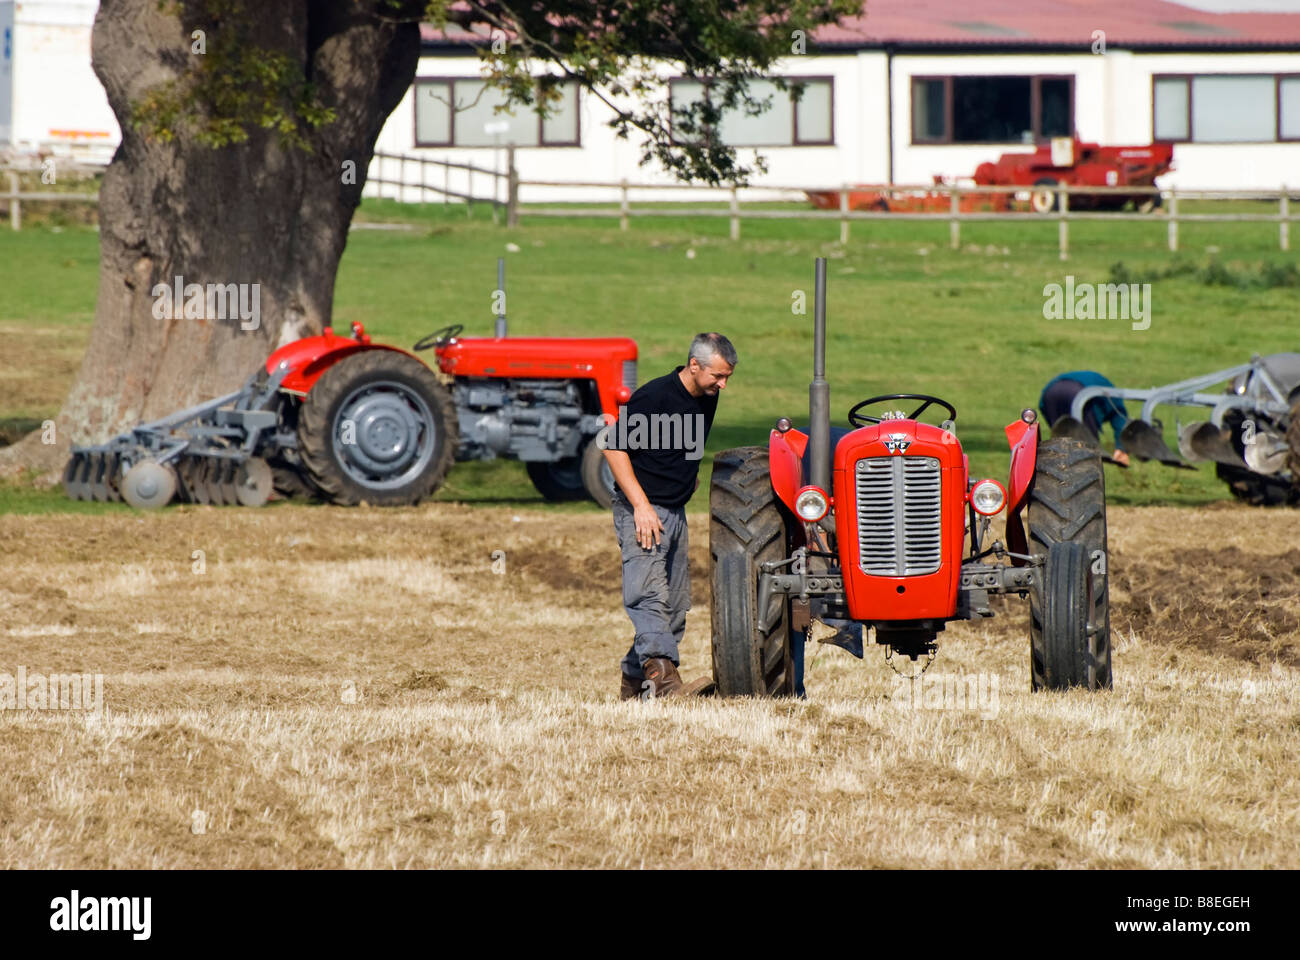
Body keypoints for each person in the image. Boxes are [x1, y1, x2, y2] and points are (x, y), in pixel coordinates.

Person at [602, 332, 736, 700]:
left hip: (675, 510)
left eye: (727, 377)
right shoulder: (653, 397)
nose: (723, 384)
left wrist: (686, 474)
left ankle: (635, 685)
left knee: (675, 608)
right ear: (694, 365)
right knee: (648, 597)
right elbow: (612, 449)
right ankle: (662, 684)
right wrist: (642, 506)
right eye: (718, 376)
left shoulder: (708, 396)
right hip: (642, 510)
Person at [1039, 370, 1131, 466]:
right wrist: (1122, 450)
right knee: (1089, 450)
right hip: (1080, 393)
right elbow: (1121, 420)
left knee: (1062, 446)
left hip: (1050, 393)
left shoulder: (1102, 387)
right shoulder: (1114, 398)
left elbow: (1042, 407)